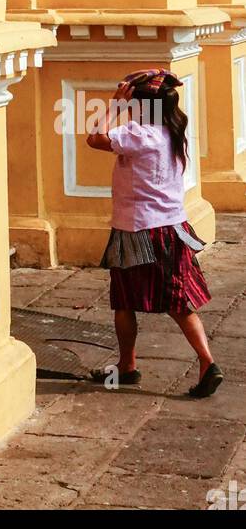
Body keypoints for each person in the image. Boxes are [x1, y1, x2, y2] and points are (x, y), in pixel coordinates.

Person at [85, 68, 222, 397]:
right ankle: (204, 362)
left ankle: (129, 365)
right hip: (172, 227)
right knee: (179, 301)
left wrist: (115, 106)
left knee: (124, 301)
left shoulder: (139, 134)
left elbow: (94, 138)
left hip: (137, 229)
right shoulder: (172, 131)